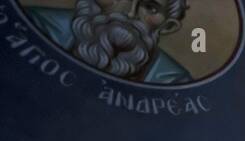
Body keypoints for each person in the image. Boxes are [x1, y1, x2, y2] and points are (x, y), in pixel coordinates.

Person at [27, 0, 193, 84]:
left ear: (168, 26)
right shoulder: (35, 25)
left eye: (150, 7)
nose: (129, 12)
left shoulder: (172, 81)